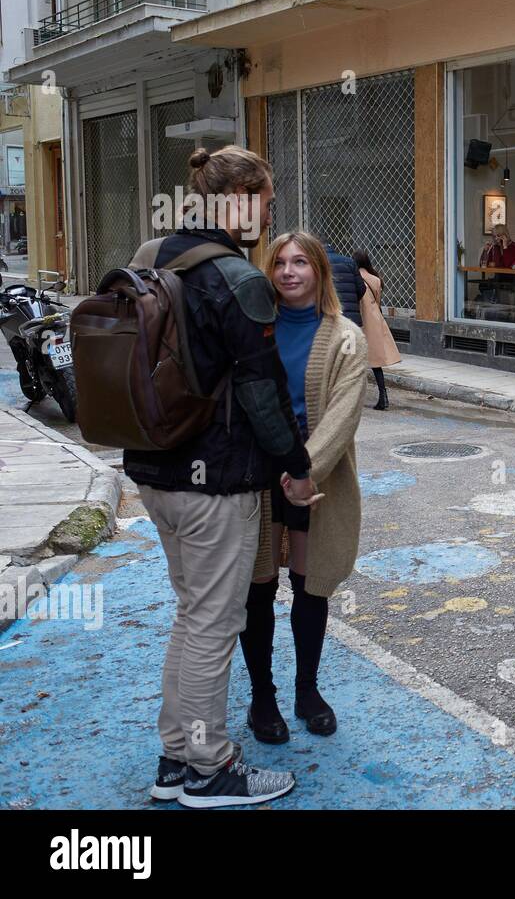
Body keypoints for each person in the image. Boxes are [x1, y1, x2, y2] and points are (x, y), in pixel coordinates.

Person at [125, 146, 312, 808]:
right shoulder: (236, 275)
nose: (270, 211)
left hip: (153, 467)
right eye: (266, 199)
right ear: (242, 200)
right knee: (213, 623)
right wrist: (295, 466)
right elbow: (262, 393)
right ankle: (209, 765)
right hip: (214, 479)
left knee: (191, 615)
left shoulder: (150, 255)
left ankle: (176, 757)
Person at [240, 231, 368, 744]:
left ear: (318, 270)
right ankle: (262, 697)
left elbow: (342, 416)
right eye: (279, 264)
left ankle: (307, 690)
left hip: (317, 479)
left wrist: (304, 473)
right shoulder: (254, 330)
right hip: (256, 475)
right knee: (258, 585)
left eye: (300, 263)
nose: (289, 272)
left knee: (309, 584)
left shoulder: (345, 337)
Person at [353, 249, 401, 411]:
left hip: (359, 320)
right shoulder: (376, 279)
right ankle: (383, 396)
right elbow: (378, 302)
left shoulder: (354, 277)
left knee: (353, 360)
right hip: (374, 320)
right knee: (375, 363)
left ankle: (353, 398)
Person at [324, 241, 366, 327]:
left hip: (329, 317)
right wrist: (352, 300)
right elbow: (362, 288)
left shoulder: (317, 263)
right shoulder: (350, 262)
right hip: (352, 318)